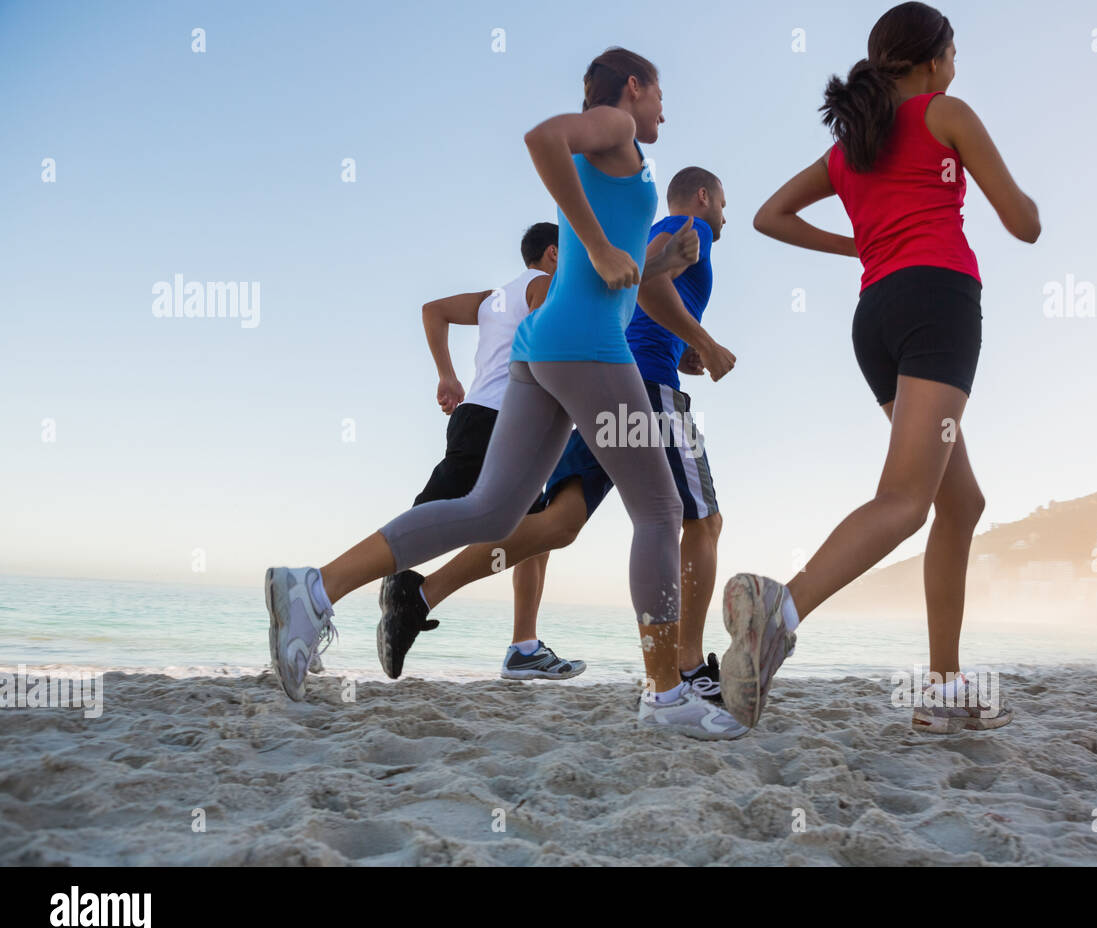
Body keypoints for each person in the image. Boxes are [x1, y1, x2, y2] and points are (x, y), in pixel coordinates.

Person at [264, 48, 746, 740]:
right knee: (661, 508)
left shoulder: (619, 162)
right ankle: (665, 692)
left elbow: (608, 270)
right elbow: (540, 140)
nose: (664, 108)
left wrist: (651, 262)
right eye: (660, 92)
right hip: (584, 347)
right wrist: (601, 246)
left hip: (545, 347)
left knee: (491, 509)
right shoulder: (612, 125)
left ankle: (313, 588)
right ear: (633, 87)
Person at [727, 1, 1040, 732]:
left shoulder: (851, 147)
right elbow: (1023, 225)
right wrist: (1017, 196)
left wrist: (859, 246)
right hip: (939, 304)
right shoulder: (946, 112)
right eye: (953, 53)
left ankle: (942, 684)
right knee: (906, 501)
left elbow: (768, 215)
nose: (956, 66)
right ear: (931, 59)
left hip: (877, 320)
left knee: (960, 503)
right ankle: (781, 610)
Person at [383, 167, 736, 701]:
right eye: (723, 205)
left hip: (596, 379)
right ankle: (686, 667)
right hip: (642, 388)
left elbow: (638, 296)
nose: (725, 217)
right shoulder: (690, 225)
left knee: (558, 523)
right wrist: (703, 342)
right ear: (703, 197)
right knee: (703, 521)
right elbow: (649, 285)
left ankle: (424, 597)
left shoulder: (645, 237)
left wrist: (679, 342)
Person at [374, 222, 586, 682]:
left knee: (534, 533)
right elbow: (542, 332)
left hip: (476, 417)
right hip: (506, 421)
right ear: (553, 254)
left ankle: (523, 645)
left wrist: (446, 375)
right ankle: (391, 584)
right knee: (455, 515)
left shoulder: (494, 297)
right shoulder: (546, 285)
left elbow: (432, 311)